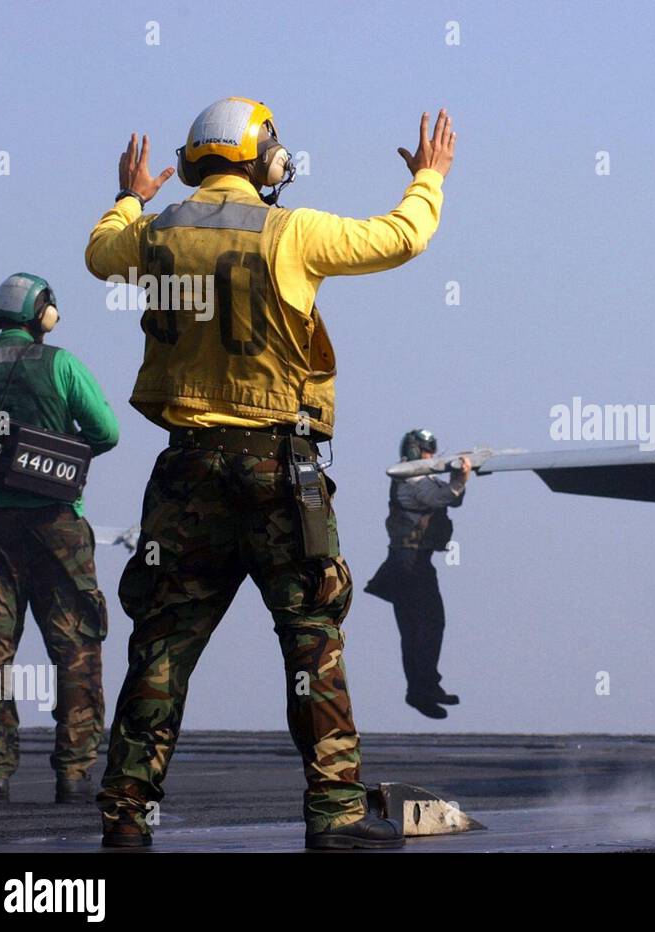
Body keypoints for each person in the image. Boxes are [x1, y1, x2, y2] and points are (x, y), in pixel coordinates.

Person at [83, 97, 455, 849]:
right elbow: (402, 237)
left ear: (193, 161)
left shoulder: (155, 235)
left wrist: (131, 194)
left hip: (185, 473)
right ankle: (336, 815)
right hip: (278, 471)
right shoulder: (295, 231)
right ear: (268, 160)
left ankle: (125, 819)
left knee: (161, 649)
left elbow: (100, 252)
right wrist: (430, 178)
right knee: (311, 642)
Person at [0, 273, 119, 804]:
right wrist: (54, 453)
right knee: (75, 645)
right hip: (57, 526)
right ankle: (73, 774)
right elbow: (106, 433)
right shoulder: (62, 364)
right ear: (41, 312)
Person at [370, 429, 468, 719]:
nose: (431, 455)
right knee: (422, 628)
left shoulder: (419, 476)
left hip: (414, 561)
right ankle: (421, 690)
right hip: (408, 563)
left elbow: (451, 499)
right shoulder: (411, 479)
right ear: (415, 451)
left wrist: (460, 480)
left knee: (423, 628)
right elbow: (441, 498)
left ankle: (425, 687)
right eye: (427, 450)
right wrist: (460, 479)